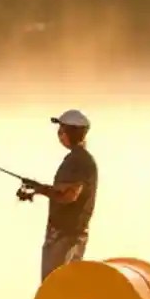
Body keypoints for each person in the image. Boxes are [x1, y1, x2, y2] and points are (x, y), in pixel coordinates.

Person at [19, 109, 98, 282]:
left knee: (53, 285)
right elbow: (63, 189)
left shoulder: (78, 161)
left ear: (70, 133)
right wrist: (39, 188)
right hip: (74, 233)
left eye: (61, 130)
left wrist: (41, 190)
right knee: (67, 286)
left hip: (64, 234)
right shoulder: (79, 159)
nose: (59, 134)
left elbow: (70, 195)